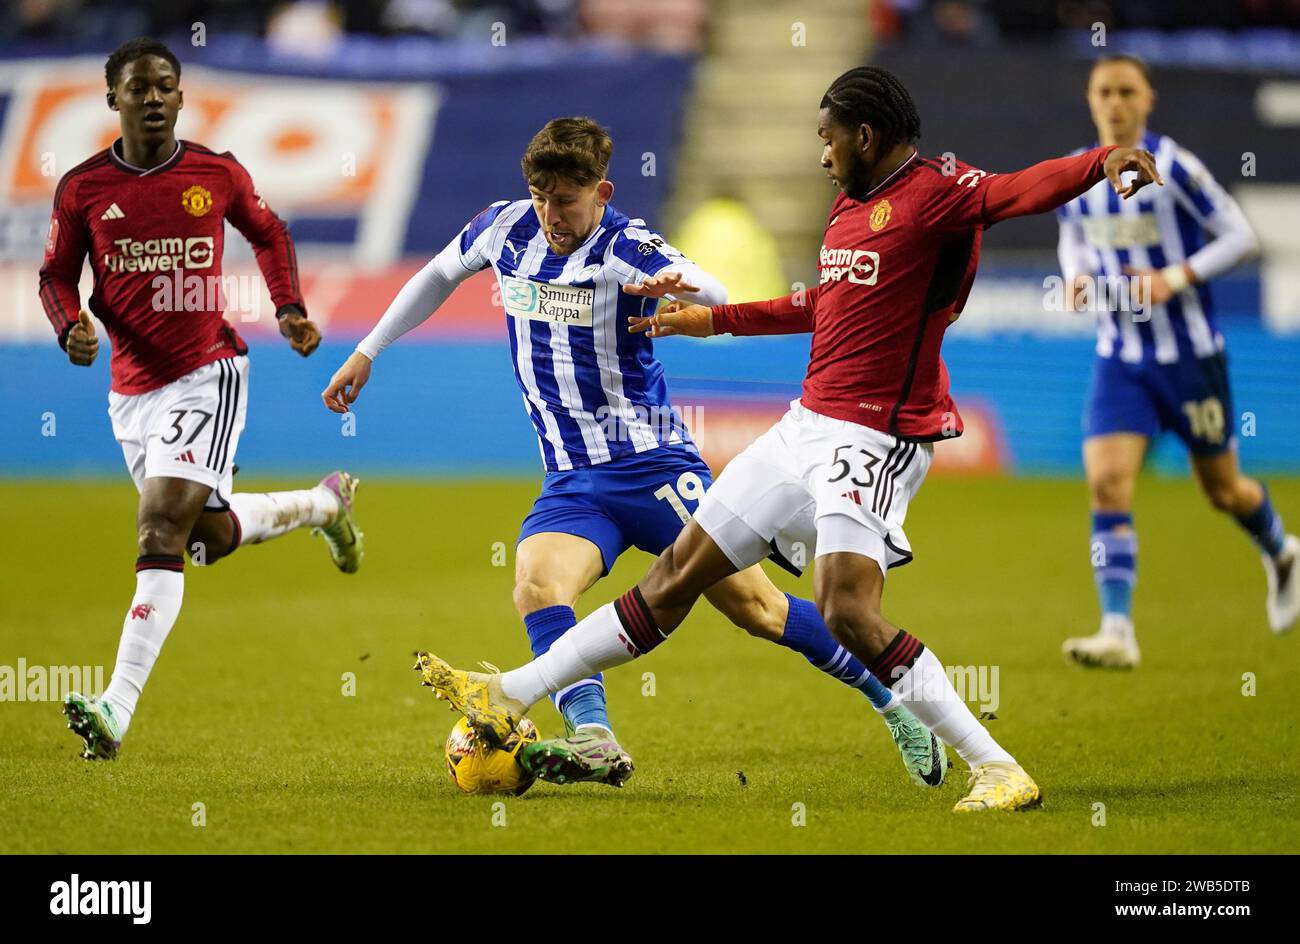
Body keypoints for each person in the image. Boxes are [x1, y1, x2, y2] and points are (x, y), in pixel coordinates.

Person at [414, 66, 1163, 812]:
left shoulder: (937, 195)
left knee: (845, 610)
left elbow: (1016, 191)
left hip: (874, 436)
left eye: (828, 138)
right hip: (804, 425)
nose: (822, 153)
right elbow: (820, 303)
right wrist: (716, 320)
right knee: (677, 576)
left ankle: (996, 767)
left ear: (865, 135)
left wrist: (1102, 162)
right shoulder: (847, 210)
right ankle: (508, 690)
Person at [323, 116, 946, 789]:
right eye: (541, 197)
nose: (551, 214)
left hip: (653, 468)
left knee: (756, 610)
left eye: (566, 200)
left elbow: (713, 291)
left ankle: (896, 701)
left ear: (602, 191)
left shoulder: (627, 245)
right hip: (572, 478)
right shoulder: (503, 229)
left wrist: (679, 283)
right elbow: (439, 274)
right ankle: (594, 735)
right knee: (535, 582)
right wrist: (368, 350)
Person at [39, 38, 363, 760]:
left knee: (158, 528)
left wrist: (288, 307)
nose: (153, 98)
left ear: (182, 97)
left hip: (207, 371)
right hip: (131, 391)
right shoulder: (84, 189)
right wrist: (71, 327)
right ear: (112, 99)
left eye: (166, 86)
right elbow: (55, 277)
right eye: (138, 88)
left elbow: (269, 231)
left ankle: (115, 708)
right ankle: (322, 506)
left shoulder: (214, 172)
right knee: (203, 538)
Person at [1057, 54, 1296, 669]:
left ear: (1147, 99)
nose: (1114, 102)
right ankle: (1117, 629)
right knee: (1107, 483)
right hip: (1121, 359)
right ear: (1090, 100)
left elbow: (1241, 236)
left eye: (1125, 91)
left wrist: (1175, 276)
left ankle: (1281, 551)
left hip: (1191, 357)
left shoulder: (1177, 166)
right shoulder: (1080, 178)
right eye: (1103, 91)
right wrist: (1076, 277)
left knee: (1222, 491)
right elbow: (1073, 238)